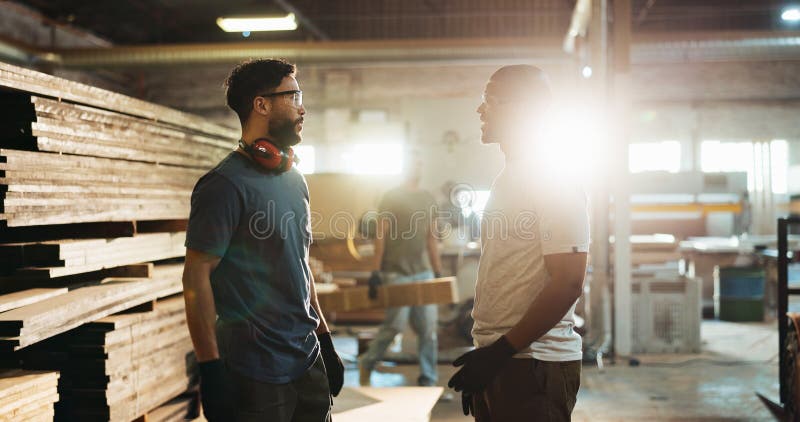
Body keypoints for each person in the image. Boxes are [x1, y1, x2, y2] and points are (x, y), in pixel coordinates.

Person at [182, 58, 343, 422]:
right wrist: (210, 368)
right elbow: (196, 277)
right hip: (254, 372)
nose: (303, 108)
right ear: (261, 104)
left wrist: (324, 337)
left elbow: (300, 263)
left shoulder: (294, 179)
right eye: (294, 96)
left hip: (307, 360)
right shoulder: (223, 185)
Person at [447, 65, 590, 421]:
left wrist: (499, 354)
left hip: (533, 363)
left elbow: (568, 281)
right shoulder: (511, 175)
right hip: (506, 358)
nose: (480, 109)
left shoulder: (551, 175)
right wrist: (490, 354)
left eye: (490, 100)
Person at [358, 151, 444, 387]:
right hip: (396, 272)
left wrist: (437, 271)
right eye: (414, 164)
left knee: (428, 330)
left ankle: (428, 379)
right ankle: (368, 361)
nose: (418, 168)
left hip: (423, 272)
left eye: (420, 164)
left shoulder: (428, 198)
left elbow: (432, 237)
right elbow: (380, 235)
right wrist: (375, 272)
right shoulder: (391, 197)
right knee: (394, 326)